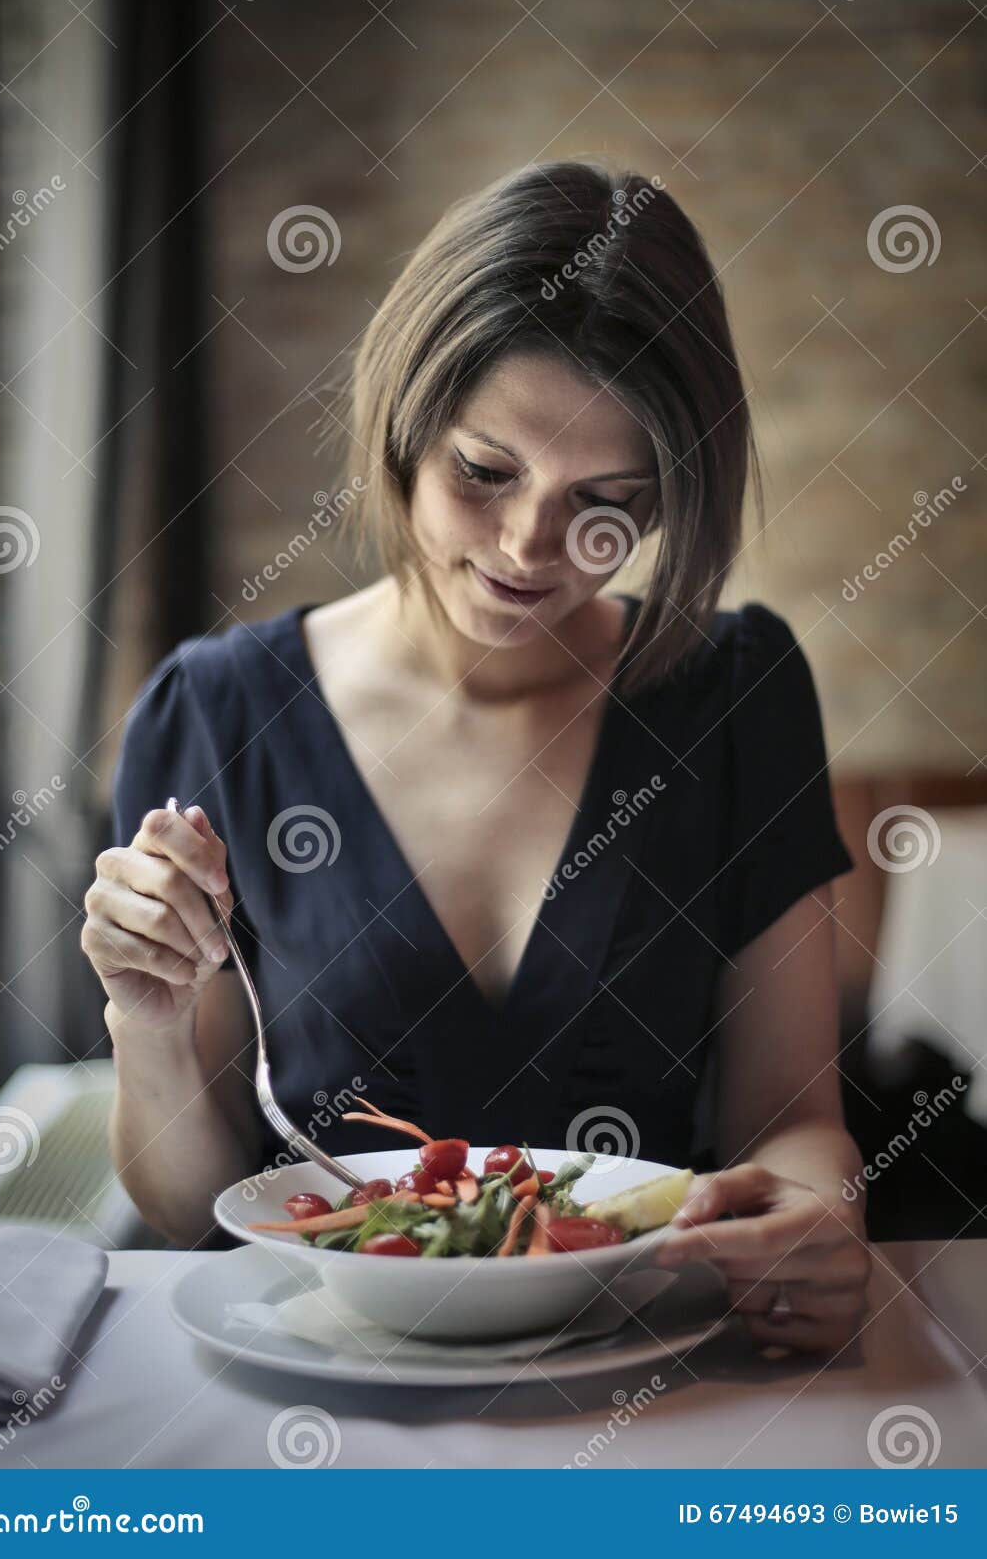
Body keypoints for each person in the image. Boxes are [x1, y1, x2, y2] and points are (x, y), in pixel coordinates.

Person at [81, 159, 870, 1352]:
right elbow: (191, 1206)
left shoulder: (735, 695)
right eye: (484, 472)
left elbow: (790, 1117)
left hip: (644, 1376)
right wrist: (142, 1021)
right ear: (404, 421)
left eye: (602, 500)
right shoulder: (217, 711)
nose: (525, 548)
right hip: (319, 1389)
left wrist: (814, 1210)